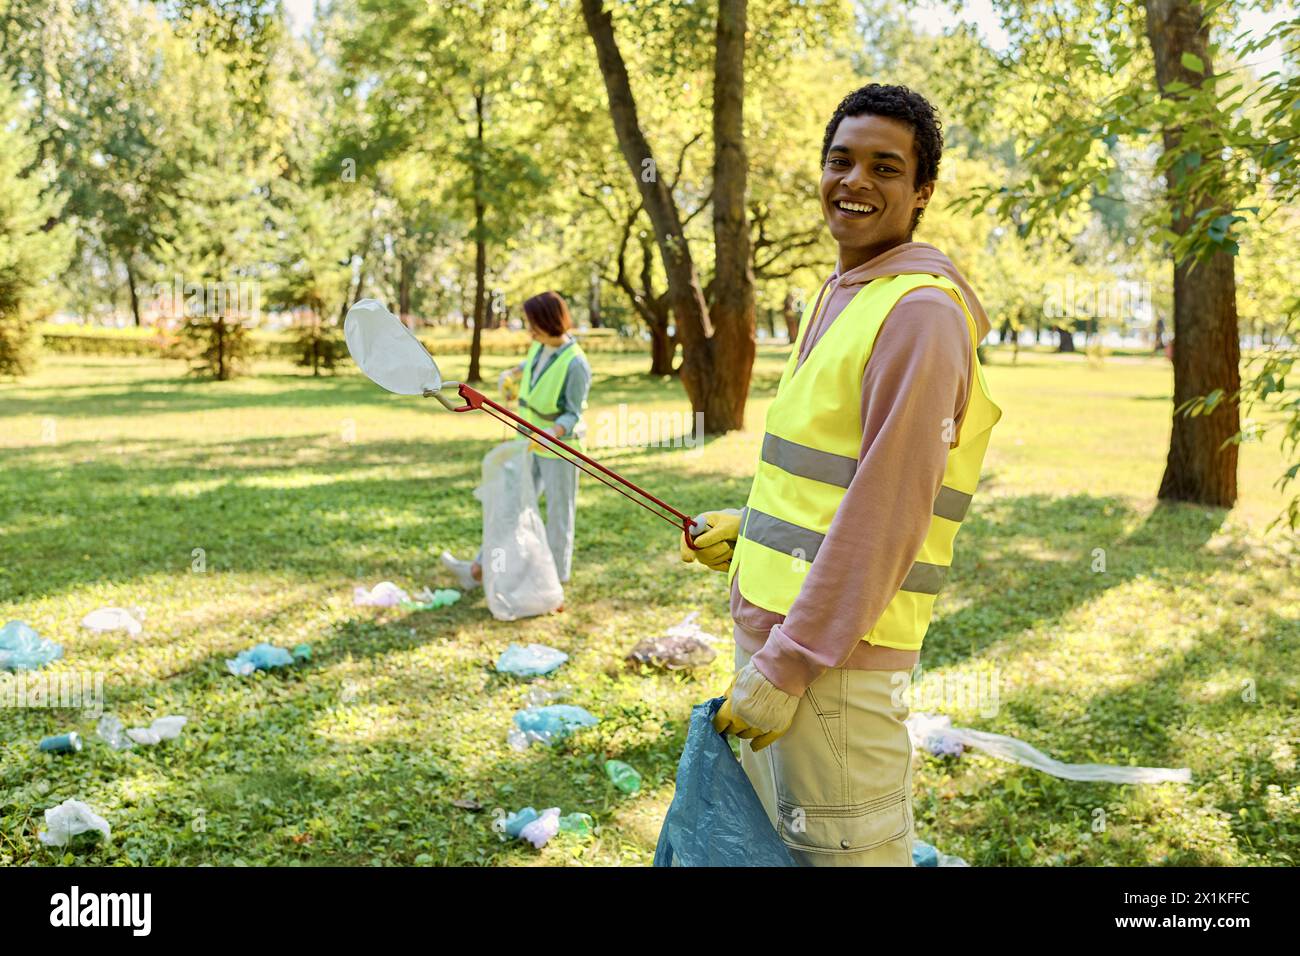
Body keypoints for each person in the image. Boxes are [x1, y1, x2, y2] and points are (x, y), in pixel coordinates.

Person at [680, 84, 1001, 866]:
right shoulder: (842, 291)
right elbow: (832, 473)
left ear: (922, 191)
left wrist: (787, 667)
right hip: (777, 644)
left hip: (831, 674)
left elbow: (888, 515)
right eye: (841, 160)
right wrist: (752, 529)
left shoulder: (919, 314)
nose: (855, 181)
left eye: (885, 168)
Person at [442, 290, 592, 590]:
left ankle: (556, 582)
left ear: (549, 321)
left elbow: (572, 414)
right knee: (509, 505)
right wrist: (511, 375)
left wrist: (552, 434)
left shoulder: (577, 365)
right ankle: (478, 570)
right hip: (526, 443)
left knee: (559, 517)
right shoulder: (539, 346)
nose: (528, 329)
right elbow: (531, 370)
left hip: (559, 451)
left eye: (532, 322)